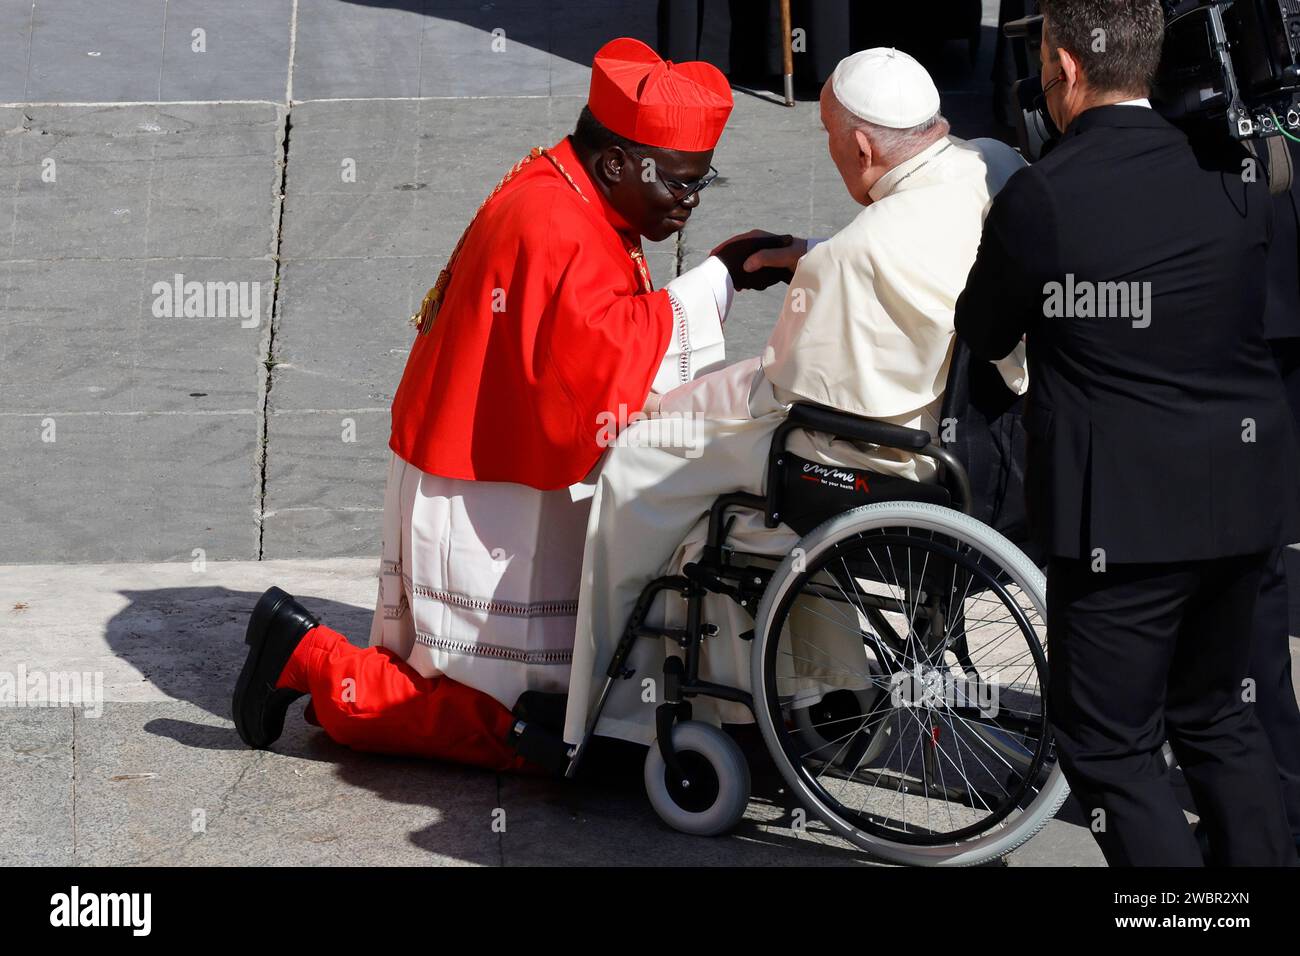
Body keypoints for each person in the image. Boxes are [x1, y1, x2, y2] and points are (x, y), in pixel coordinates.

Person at [231, 37, 771, 770]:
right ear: (615, 162)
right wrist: (716, 281)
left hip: (503, 461)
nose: (689, 202)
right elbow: (599, 357)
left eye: (704, 183)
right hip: (485, 492)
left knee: (537, 705)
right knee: (511, 725)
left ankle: (315, 659)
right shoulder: (553, 222)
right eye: (678, 182)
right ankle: (308, 658)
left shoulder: (578, 187)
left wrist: (724, 273)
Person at [562, 48, 1028, 748]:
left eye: (833, 140)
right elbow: (912, 257)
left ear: (863, 145)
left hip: (872, 462)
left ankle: (614, 710)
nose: (834, 154)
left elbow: (789, 394)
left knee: (642, 457)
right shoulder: (989, 164)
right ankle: (816, 686)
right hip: (974, 447)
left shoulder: (854, 256)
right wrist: (809, 252)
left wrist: (693, 399)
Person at [954, 0, 1298, 865]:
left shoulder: (1046, 193)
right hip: (1243, 502)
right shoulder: (1235, 173)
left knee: (1110, 747)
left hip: (1124, 527)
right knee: (1220, 718)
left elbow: (986, 330)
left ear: (1064, 69)